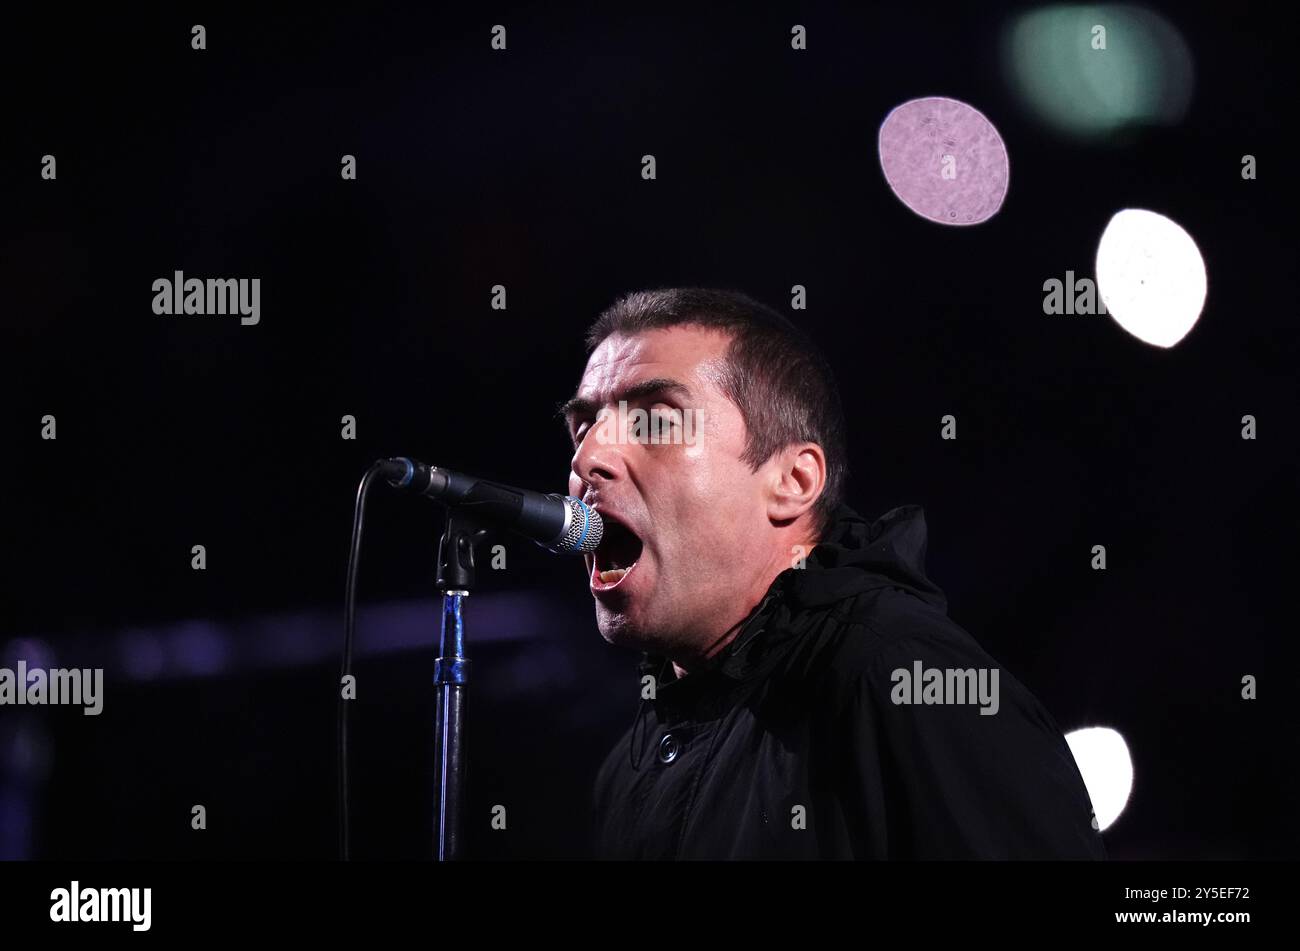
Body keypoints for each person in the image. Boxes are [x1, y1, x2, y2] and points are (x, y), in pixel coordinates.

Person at [561, 287, 1105, 859]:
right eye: (582, 428)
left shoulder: (908, 684)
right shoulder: (627, 767)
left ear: (793, 482)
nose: (586, 458)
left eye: (653, 421)